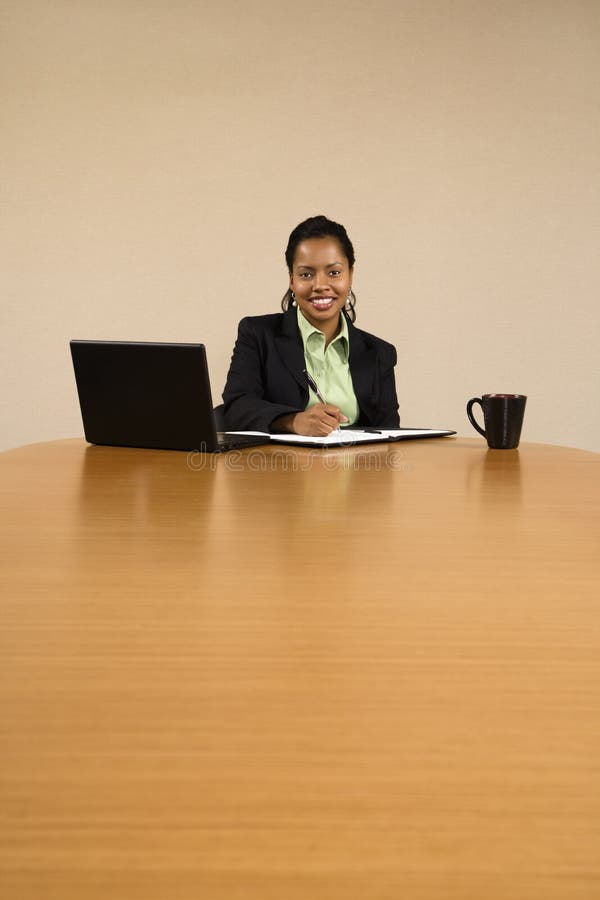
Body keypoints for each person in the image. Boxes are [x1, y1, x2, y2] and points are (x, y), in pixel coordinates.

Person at [222, 215, 400, 435]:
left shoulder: (379, 353)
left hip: (357, 467)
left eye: (334, 272)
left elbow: (390, 435)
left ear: (350, 275)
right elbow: (236, 407)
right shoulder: (257, 334)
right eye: (306, 274)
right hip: (275, 466)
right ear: (291, 279)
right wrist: (292, 421)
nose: (320, 285)